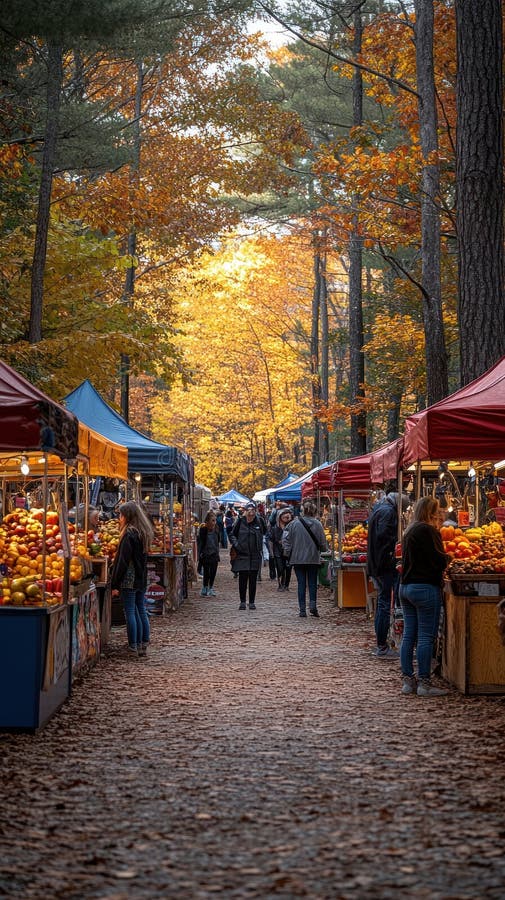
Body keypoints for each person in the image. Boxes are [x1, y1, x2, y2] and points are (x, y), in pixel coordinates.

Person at [400, 497, 449, 697]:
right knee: (426, 637)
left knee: (409, 635)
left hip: (406, 587)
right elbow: (438, 559)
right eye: (437, 511)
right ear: (430, 513)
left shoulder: (409, 530)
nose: (440, 515)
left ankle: (407, 681)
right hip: (425, 588)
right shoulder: (429, 531)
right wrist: (449, 557)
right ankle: (424, 683)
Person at [367, 491, 410, 659]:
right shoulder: (388, 512)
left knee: (383, 603)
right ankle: (382, 645)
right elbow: (383, 535)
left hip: (378, 563)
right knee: (384, 604)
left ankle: (381, 643)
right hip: (383, 565)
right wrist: (396, 545)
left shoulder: (380, 508)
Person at [110, 500, 153, 657]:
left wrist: (115, 582)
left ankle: (133, 645)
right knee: (140, 609)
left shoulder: (129, 535)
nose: (119, 518)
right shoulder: (142, 532)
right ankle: (143, 643)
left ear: (127, 516)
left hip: (130, 577)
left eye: (120, 515)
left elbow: (122, 560)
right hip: (141, 576)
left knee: (130, 611)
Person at [282, 499, 328, 618]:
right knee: (312, 583)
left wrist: (287, 552)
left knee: (301, 583)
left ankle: (302, 609)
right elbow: (323, 542)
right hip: (313, 558)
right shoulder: (318, 524)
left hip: (297, 558)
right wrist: (323, 550)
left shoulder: (294, 524)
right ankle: (313, 605)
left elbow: (285, 539)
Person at [230, 501, 266, 610]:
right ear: (245, 511)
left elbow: (265, 532)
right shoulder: (240, 522)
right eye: (249, 510)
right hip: (242, 554)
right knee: (243, 579)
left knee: (253, 579)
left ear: (256, 511)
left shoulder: (259, 521)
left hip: (255, 555)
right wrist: (237, 545)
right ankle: (242, 601)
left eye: (253, 510)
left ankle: (251, 602)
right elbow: (232, 535)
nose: (251, 512)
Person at [270, 506, 294, 591]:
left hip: (289, 551)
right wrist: (271, 552)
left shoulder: (292, 527)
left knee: (288, 568)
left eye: (287, 516)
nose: (286, 518)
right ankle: (280, 584)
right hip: (278, 551)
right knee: (280, 568)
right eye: (284, 516)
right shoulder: (275, 528)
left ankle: (286, 585)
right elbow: (271, 540)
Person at [197, 510, 220, 597]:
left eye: (215, 520)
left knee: (213, 571)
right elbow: (201, 542)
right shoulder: (203, 530)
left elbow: (218, 540)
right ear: (207, 521)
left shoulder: (217, 529)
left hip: (214, 553)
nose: (214, 523)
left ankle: (211, 587)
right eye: (212, 520)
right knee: (206, 571)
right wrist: (200, 553)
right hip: (206, 553)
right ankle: (205, 587)